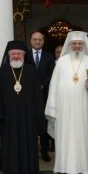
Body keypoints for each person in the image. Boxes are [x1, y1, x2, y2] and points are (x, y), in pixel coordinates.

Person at [45, 31, 88, 174]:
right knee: (65, 134)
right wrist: (53, 106)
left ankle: (82, 167)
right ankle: (63, 166)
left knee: (80, 134)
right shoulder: (62, 61)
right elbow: (54, 84)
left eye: (79, 44)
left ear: (84, 45)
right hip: (64, 107)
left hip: (82, 107)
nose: (77, 46)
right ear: (69, 45)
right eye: (74, 44)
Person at [0, 41, 44, 174]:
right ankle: (10, 170)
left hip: (28, 117)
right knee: (10, 143)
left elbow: (38, 96)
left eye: (18, 53)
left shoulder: (31, 71)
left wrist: (37, 115)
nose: (15, 56)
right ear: (8, 55)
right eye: (13, 53)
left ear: (24, 55)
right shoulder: (2, 71)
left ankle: (29, 169)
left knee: (28, 142)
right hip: (9, 118)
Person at [27, 31, 56, 162]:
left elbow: (52, 74)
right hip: (28, 96)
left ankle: (44, 151)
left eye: (40, 40)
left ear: (43, 41)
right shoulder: (25, 55)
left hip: (45, 96)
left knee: (43, 123)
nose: (37, 42)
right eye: (35, 39)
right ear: (30, 40)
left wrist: (42, 86)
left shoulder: (49, 57)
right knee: (30, 123)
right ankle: (31, 151)